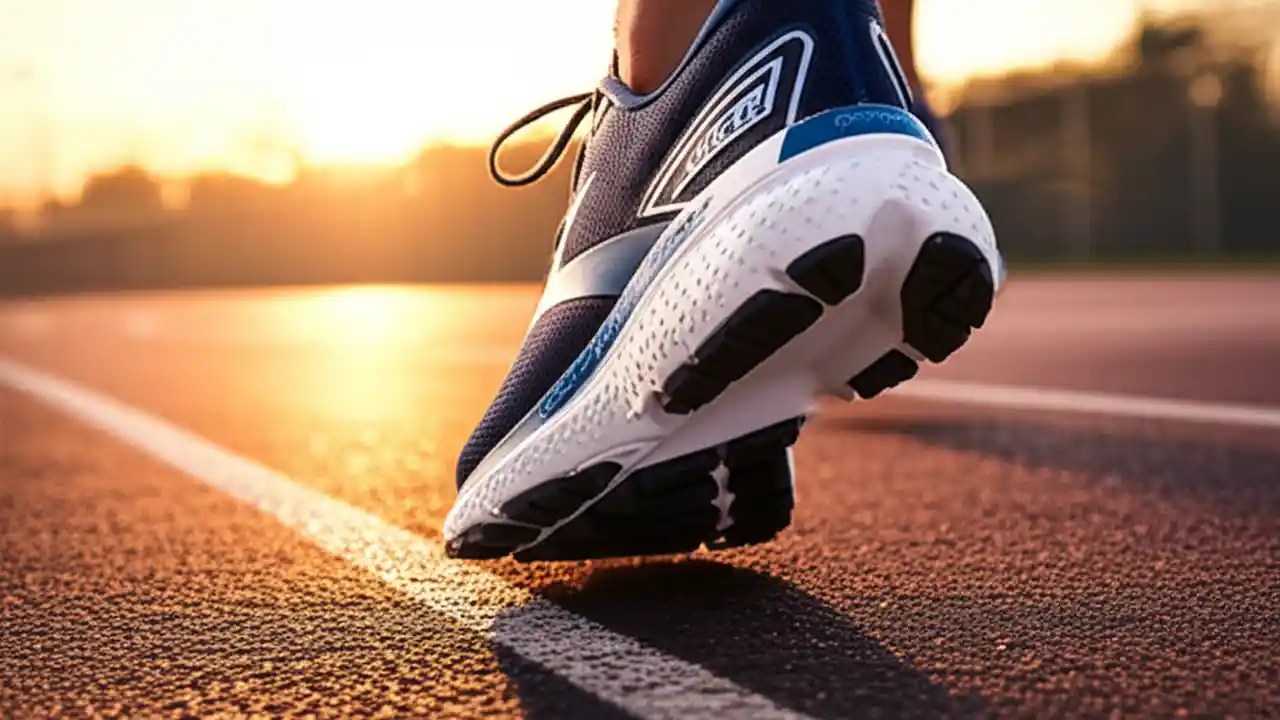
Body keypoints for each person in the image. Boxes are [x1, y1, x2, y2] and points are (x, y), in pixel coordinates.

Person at [446, 0, 1001, 561]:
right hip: (870, 84)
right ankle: (859, 73)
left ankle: (669, 95)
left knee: (653, 64)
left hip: (742, 84)